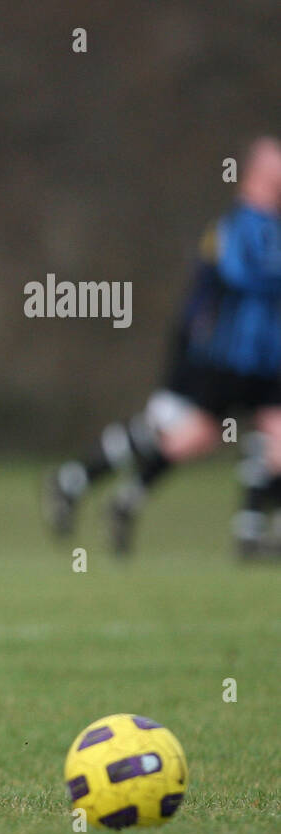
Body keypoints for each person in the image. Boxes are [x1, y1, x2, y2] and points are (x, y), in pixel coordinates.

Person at [45, 135, 281, 556]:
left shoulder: (272, 227)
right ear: (254, 171)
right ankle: (79, 481)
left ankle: (247, 531)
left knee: (239, 432)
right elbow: (237, 278)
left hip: (265, 360)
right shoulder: (232, 227)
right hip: (218, 356)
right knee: (176, 430)